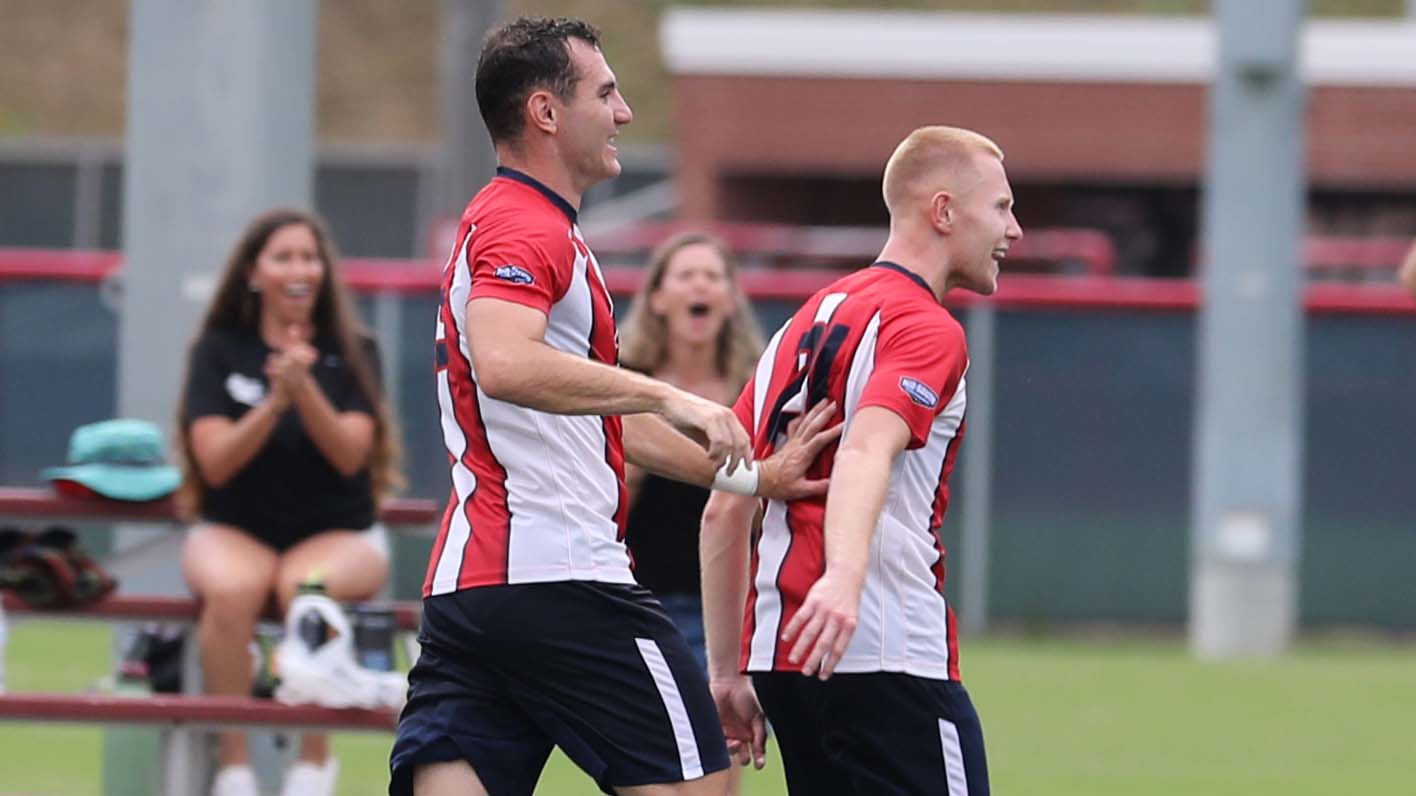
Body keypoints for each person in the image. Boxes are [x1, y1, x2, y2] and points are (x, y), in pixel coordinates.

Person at [389, 17, 839, 796]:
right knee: (701, 783)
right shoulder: (522, 221)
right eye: (606, 92)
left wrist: (752, 479)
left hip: (475, 596)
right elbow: (504, 363)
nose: (625, 112)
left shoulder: (533, 224)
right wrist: (671, 394)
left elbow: (604, 425)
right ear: (546, 113)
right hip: (563, 582)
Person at [700, 125, 1024, 795]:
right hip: (881, 649)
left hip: (784, 664)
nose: (1014, 229)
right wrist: (844, 577)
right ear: (943, 211)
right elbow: (867, 447)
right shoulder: (926, 326)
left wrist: (727, 672)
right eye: (1000, 206)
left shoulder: (804, 321)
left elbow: (725, 499)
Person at [176, 208, 402, 796]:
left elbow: (352, 455)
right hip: (235, 527)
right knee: (231, 591)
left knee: (305, 589)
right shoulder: (218, 350)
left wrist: (304, 394)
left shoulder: (355, 351)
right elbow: (215, 461)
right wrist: (274, 403)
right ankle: (235, 767)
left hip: (339, 531)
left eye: (309, 257)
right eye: (283, 257)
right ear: (255, 271)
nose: (299, 270)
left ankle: (312, 761)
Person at [620, 231, 764, 671]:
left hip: (732, 608)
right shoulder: (622, 385)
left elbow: (768, 512)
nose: (699, 286)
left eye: (712, 276)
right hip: (638, 604)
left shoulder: (756, 388)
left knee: (724, 739)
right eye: (685, 275)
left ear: (730, 299)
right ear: (658, 299)